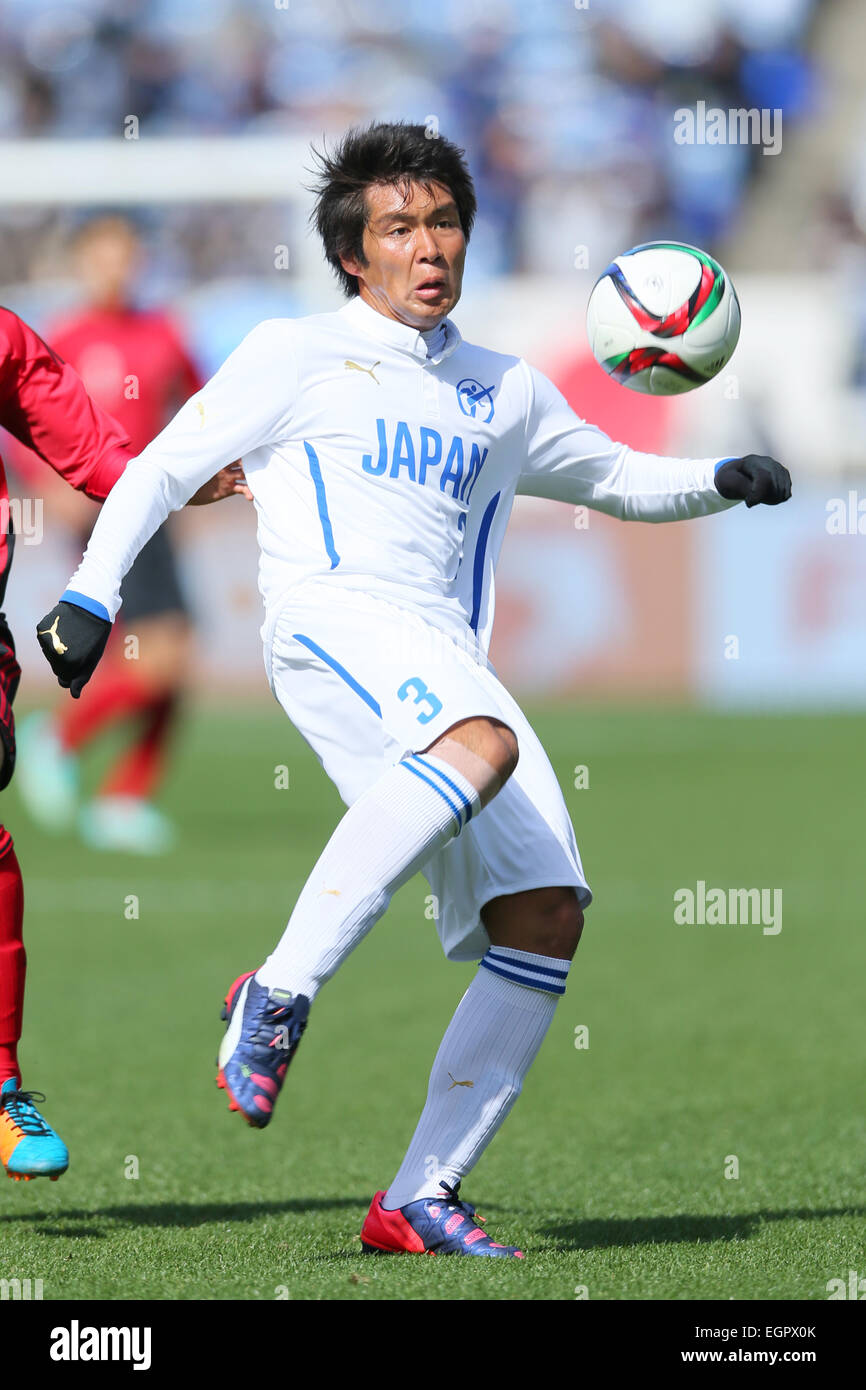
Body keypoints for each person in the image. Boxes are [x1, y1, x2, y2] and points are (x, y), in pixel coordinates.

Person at [36, 123, 791, 1250]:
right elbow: (160, 466)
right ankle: (277, 991)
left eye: (443, 223)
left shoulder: (504, 388)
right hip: (329, 619)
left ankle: (415, 1197)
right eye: (399, 228)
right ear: (354, 253)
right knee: (478, 741)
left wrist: (721, 478)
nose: (428, 246)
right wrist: (94, 596)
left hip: (442, 652)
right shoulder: (293, 355)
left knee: (544, 913)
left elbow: (616, 477)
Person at [0, 305, 245, 1181]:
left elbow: (47, 400)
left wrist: (162, 477)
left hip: (135, 510)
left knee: (175, 665)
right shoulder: (77, 322)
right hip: (109, 525)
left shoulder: (38, 334)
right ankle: (75, 752)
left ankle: (1, 1085)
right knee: (161, 664)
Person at [15, 215, 204, 854]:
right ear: (82, 261)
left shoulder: (164, 333)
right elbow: (24, 417)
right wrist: (48, 485)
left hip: (153, 505)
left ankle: (124, 798)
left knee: (173, 664)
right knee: (161, 658)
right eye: (103, 255)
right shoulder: (65, 334)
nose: (116, 266)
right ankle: (61, 740)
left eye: (126, 254)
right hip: (103, 511)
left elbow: (205, 406)